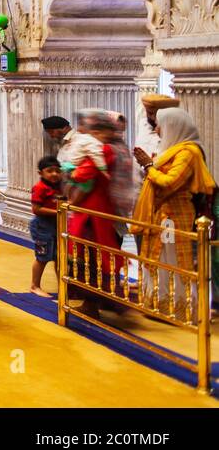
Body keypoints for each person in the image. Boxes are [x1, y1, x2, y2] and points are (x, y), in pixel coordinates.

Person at [131, 108, 215, 314]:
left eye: (160, 124)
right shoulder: (172, 150)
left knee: (174, 260)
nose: (157, 129)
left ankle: (180, 309)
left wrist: (149, 167)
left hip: (175, 217)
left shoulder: (189, 152)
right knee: (159, 259)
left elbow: (169, 183)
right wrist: (151, 166)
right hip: (162, 214)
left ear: (173, 126)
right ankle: (160, 305)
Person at [63, 109, 124, 318]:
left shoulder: (105, 150)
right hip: (96, 208)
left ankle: (95, 302)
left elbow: (83, 173)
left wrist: (71, 171)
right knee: (93, 257)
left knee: (91, 257)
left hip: (93, 212)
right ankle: (99, 301)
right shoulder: (111, 148)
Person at [29, 155, 63, 297]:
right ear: (41, 173)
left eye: (57, 171)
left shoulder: (60, 187)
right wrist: (58, 212)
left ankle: (62, 286)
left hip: (56, 226)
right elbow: (36, 209)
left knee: (58, 257)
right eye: (50, 171)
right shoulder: (40, 187)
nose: (54, 174)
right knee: (42, 257)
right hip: (42, 227)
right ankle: (34, 285)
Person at [135, 93, 180, 162]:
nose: (153, 118)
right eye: (150, 113)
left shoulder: (173, 131)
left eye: (157, 114)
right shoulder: (142, 124)